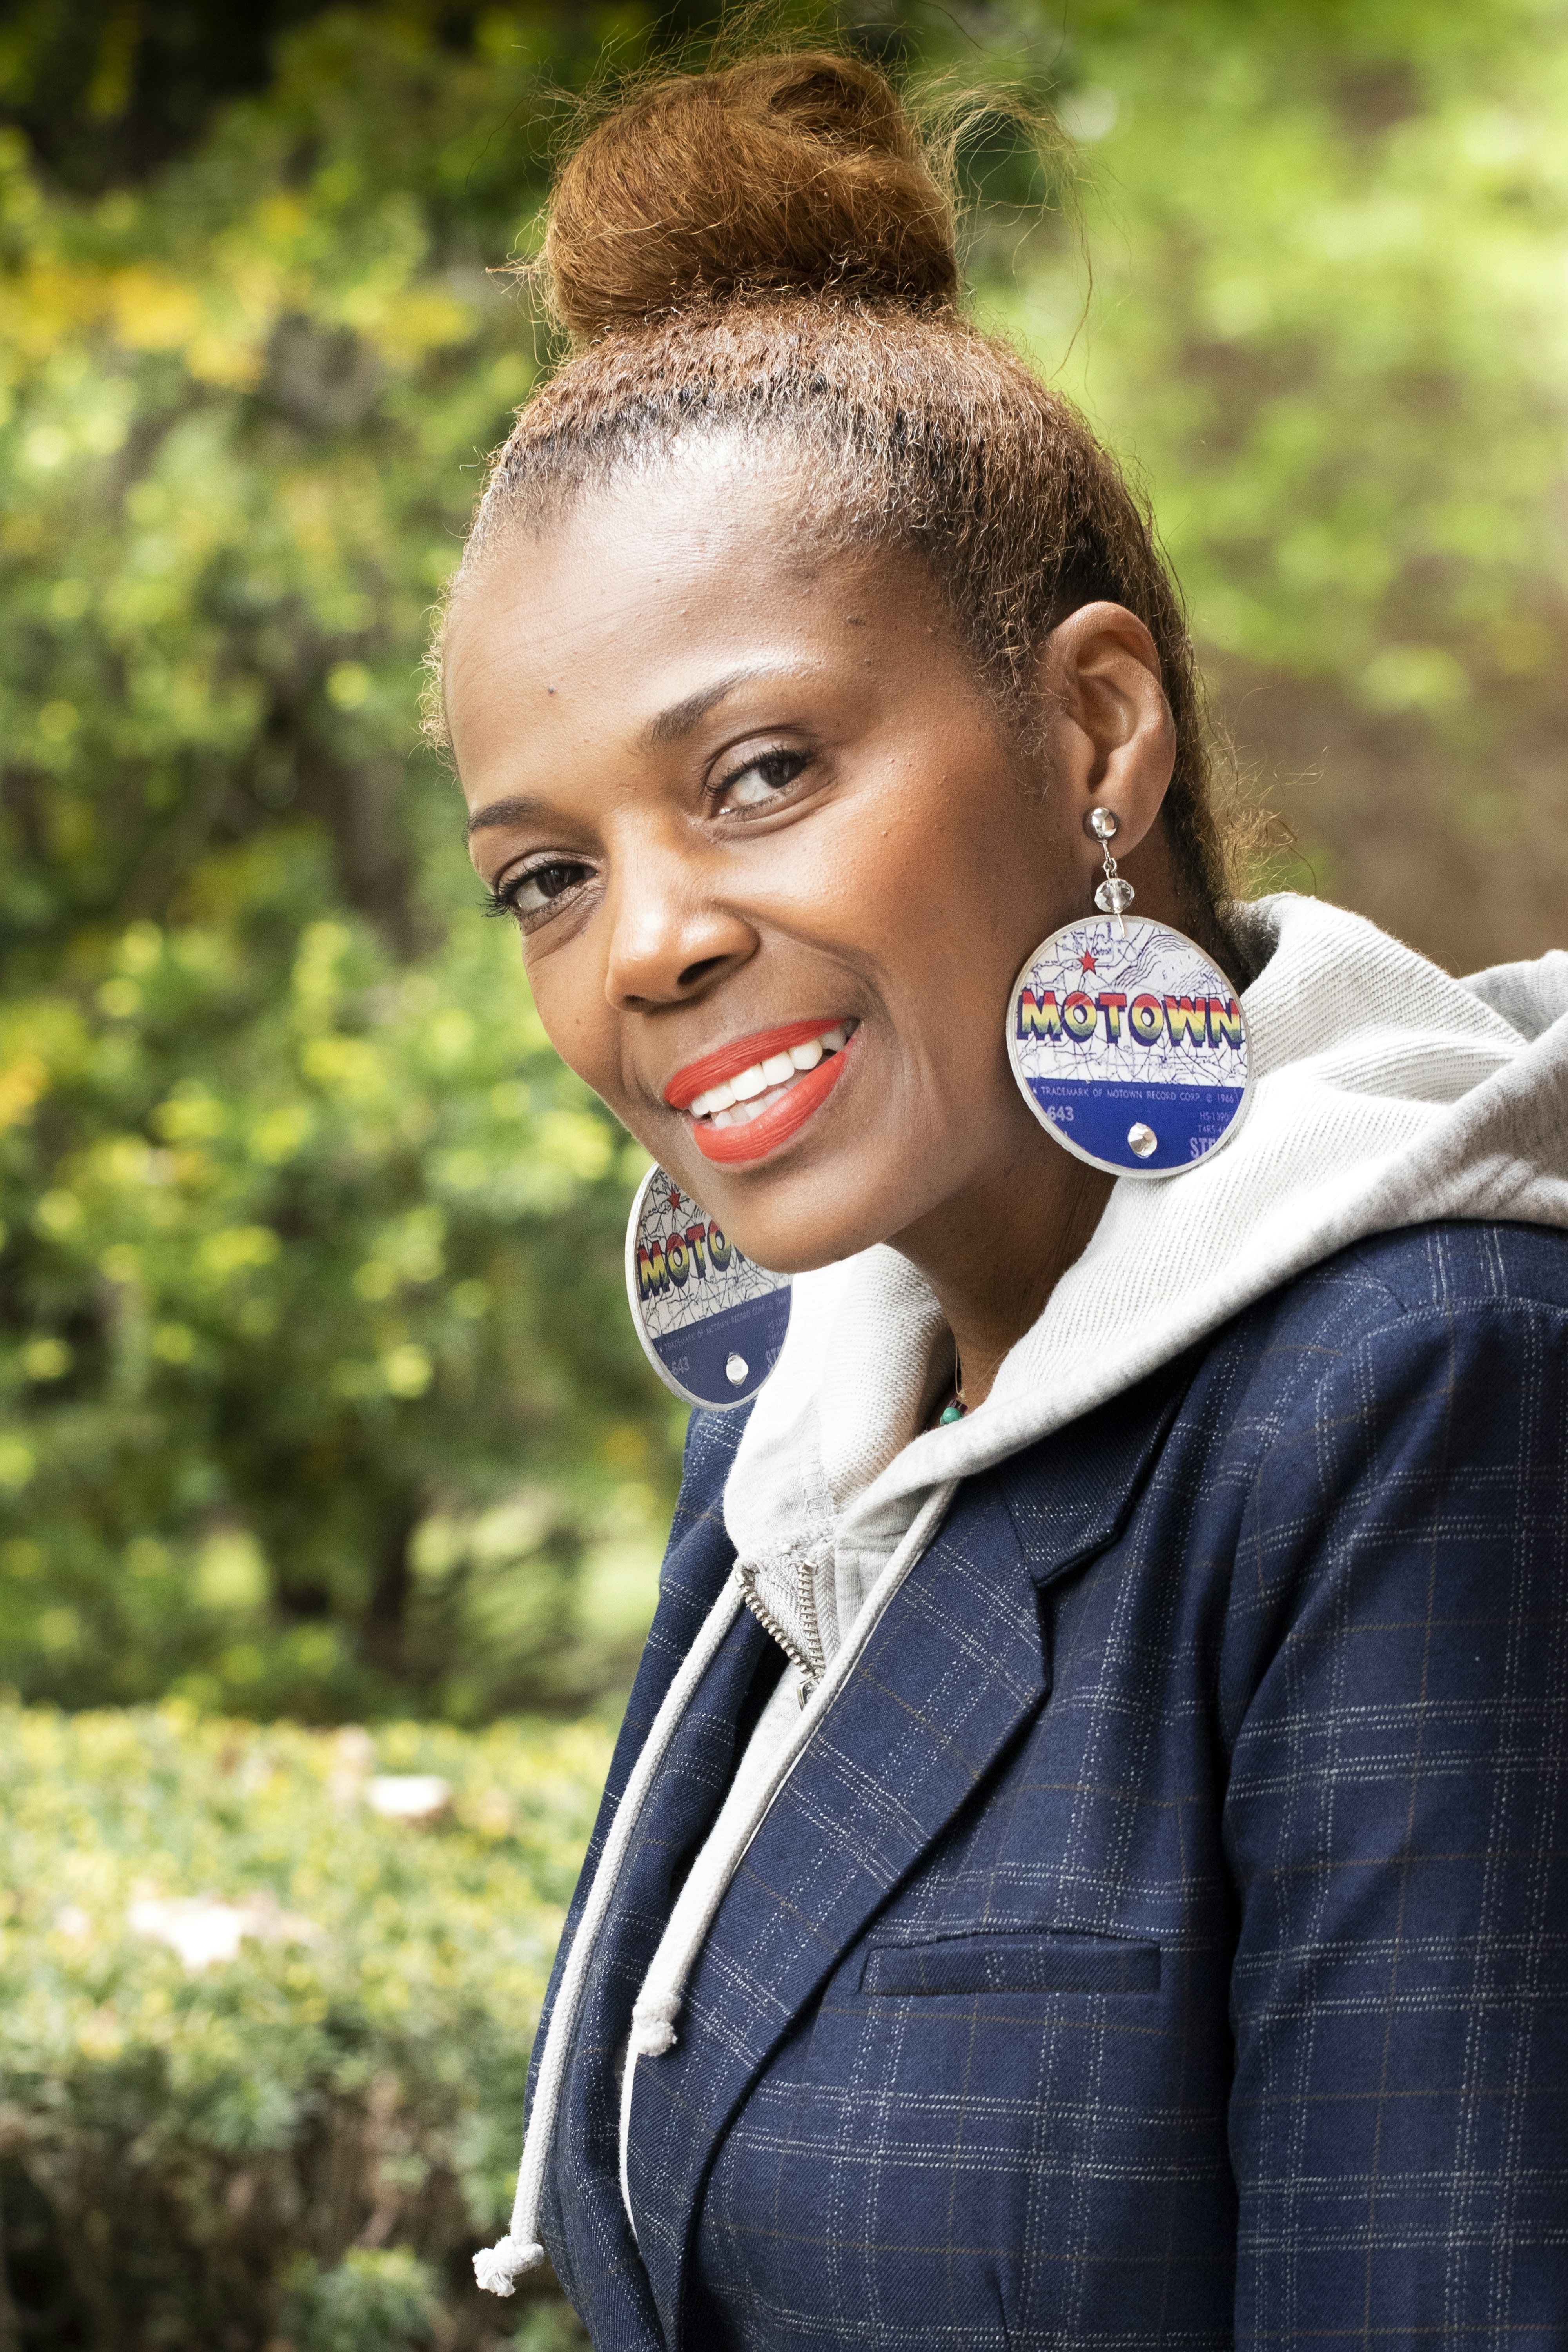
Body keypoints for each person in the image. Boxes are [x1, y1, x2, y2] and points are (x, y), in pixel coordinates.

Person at [432, 46, 1568, 2351]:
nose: (644, 945)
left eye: (760, 772)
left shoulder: (1425, 1393)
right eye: (548, 878)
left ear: (1095, 735)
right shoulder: (800, 1429)